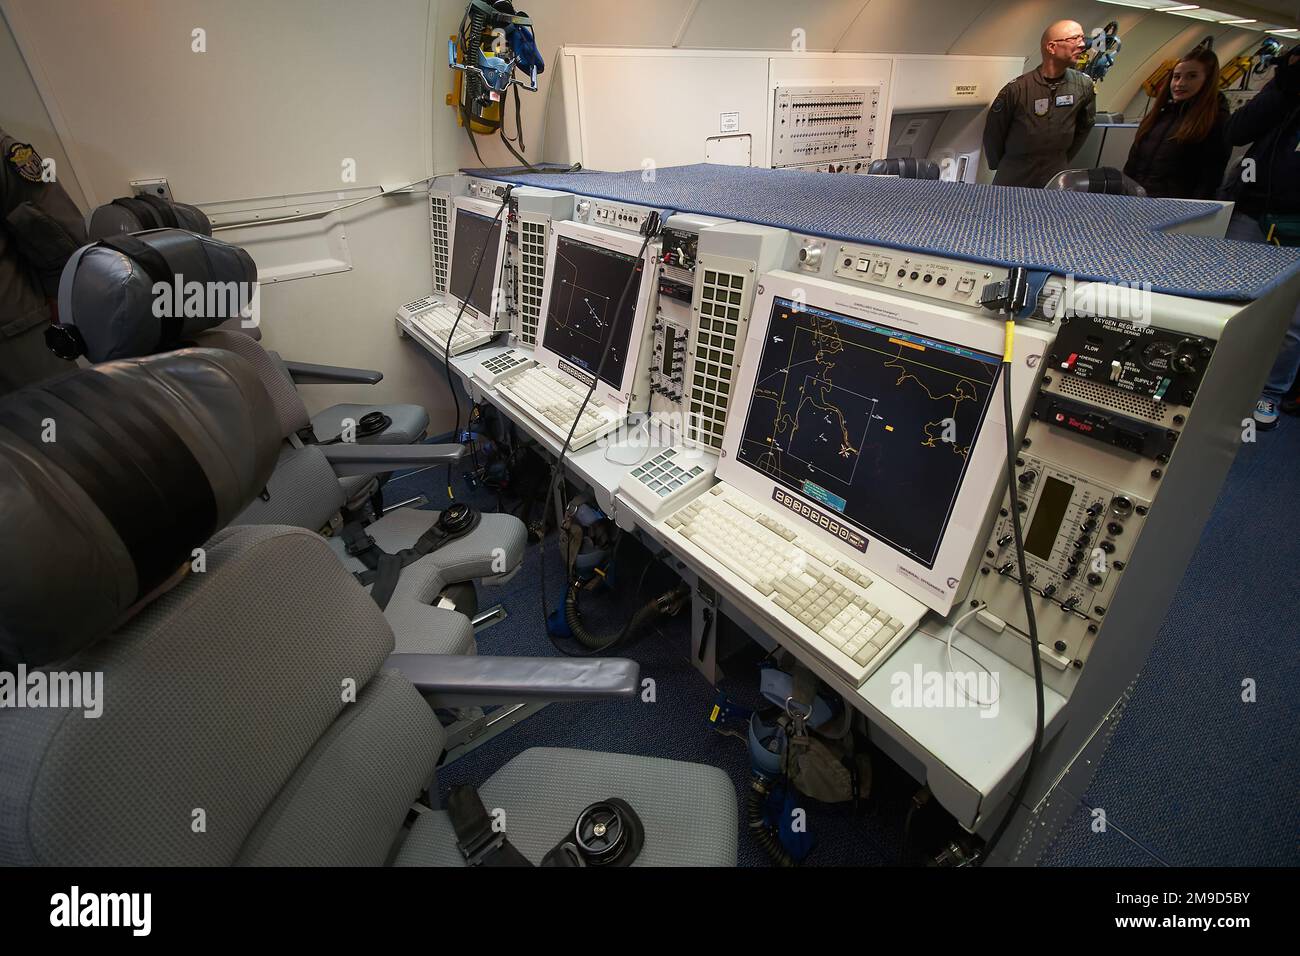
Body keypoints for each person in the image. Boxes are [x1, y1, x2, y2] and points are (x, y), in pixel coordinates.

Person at [1221, 46, 1300, 430]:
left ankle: (1269, 392)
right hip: (1253, 208)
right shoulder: (1282, 90)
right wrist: (1285, 84)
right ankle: (1218, 380)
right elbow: (1238, 131)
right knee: (1232, 299)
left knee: (1291, 322)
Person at [0, 128, 85, 394]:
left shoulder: (6, 151)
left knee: (60, 423)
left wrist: (63, 301)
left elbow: (52, 231)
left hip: (14, 337)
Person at [983, 20, 1096, 188]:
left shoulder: (1082, 86)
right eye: (1074, 39)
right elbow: (994, 133)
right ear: (1051, 47)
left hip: (1056, 173)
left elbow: (1084, 127)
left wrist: (1061, 158)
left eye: (1082, 38)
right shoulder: (1017, 89)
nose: (1082, 45)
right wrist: (1006, 164)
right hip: (1015, 171)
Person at [1123, 47, 1230, 199]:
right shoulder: (1158, 116)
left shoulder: (1214, 122)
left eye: (1191, 76)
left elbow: (1209, 180)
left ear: (1208, 80)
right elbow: (1131, 166)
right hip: (1135, 202)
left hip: (1175, 209)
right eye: (1176, 76)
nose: (1180, 83)